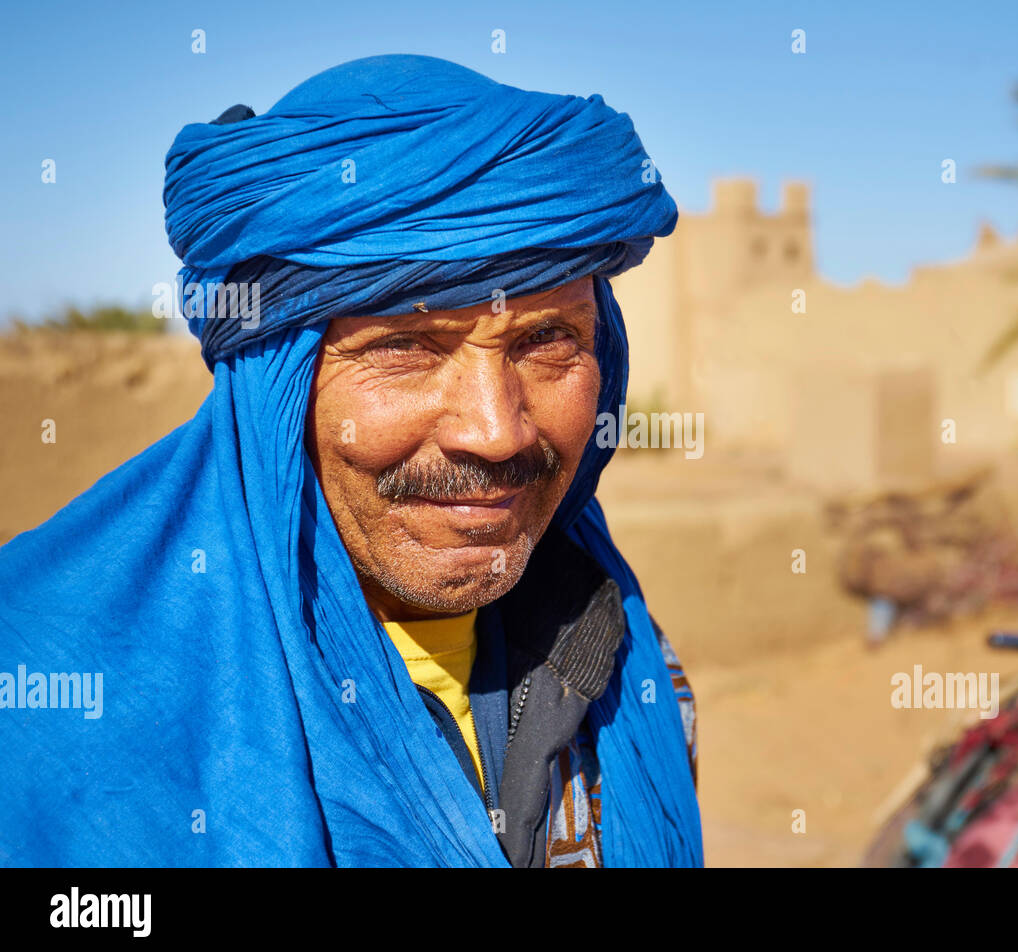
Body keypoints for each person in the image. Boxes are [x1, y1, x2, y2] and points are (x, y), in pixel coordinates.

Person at [0, 55, 702, 867]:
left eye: (547, 341)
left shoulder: (625, 658)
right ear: (278, 387)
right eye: (404, 346)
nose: (496, 431)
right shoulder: (47, 711)